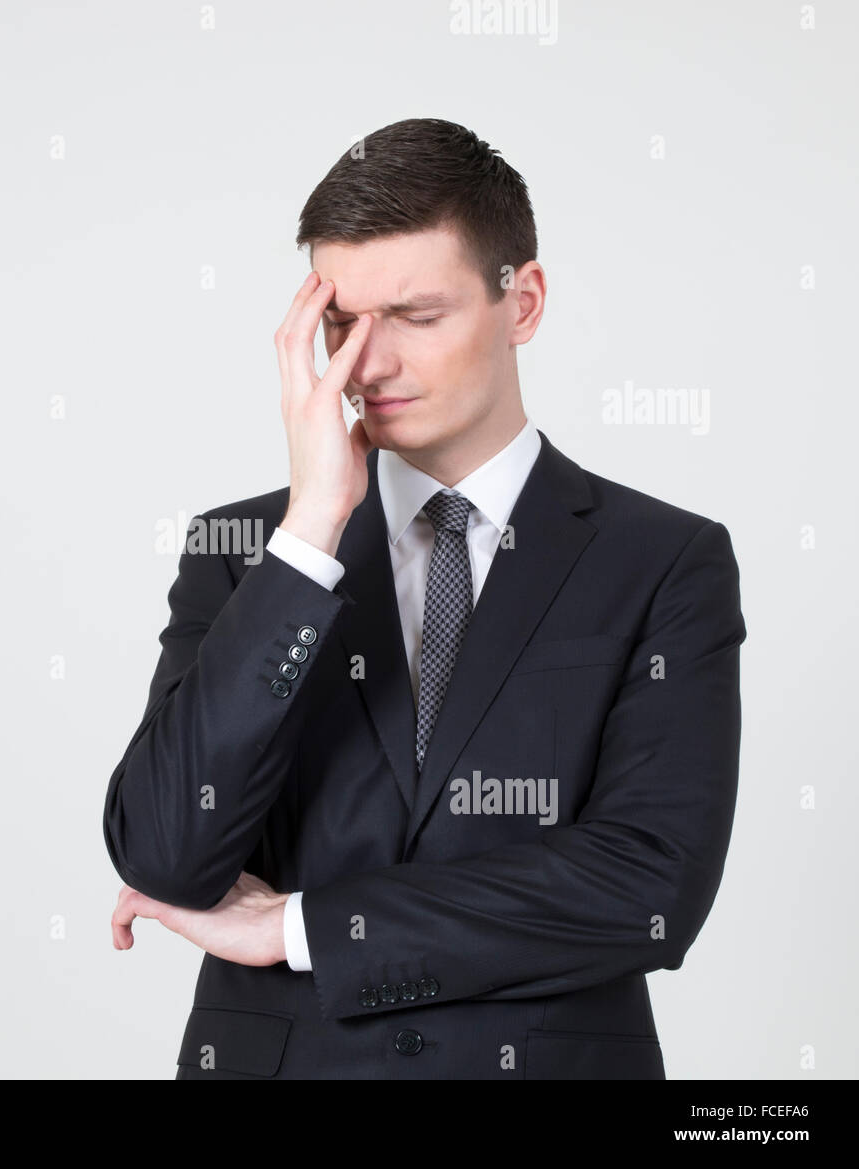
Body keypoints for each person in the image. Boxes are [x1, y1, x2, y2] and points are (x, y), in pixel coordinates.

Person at [102, 118, 745, 1079]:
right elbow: (163, 849)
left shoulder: (664, 560)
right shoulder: (248, 553)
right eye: (340, 324)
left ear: (521, 302)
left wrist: (300, 925)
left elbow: (647, 885)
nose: (370, 364)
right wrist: (311, 534)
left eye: (417, 315)